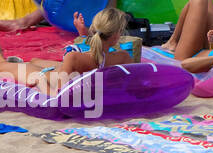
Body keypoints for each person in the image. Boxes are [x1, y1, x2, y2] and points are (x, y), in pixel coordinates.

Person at [0, 8, 134, 95]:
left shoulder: (74, 57)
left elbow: (57, 95)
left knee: (5, 65)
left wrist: (39, 81)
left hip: (48, 77)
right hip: (65, 71)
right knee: (36, 61)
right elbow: (135, 82)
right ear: (117, 35)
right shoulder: (123, 57)